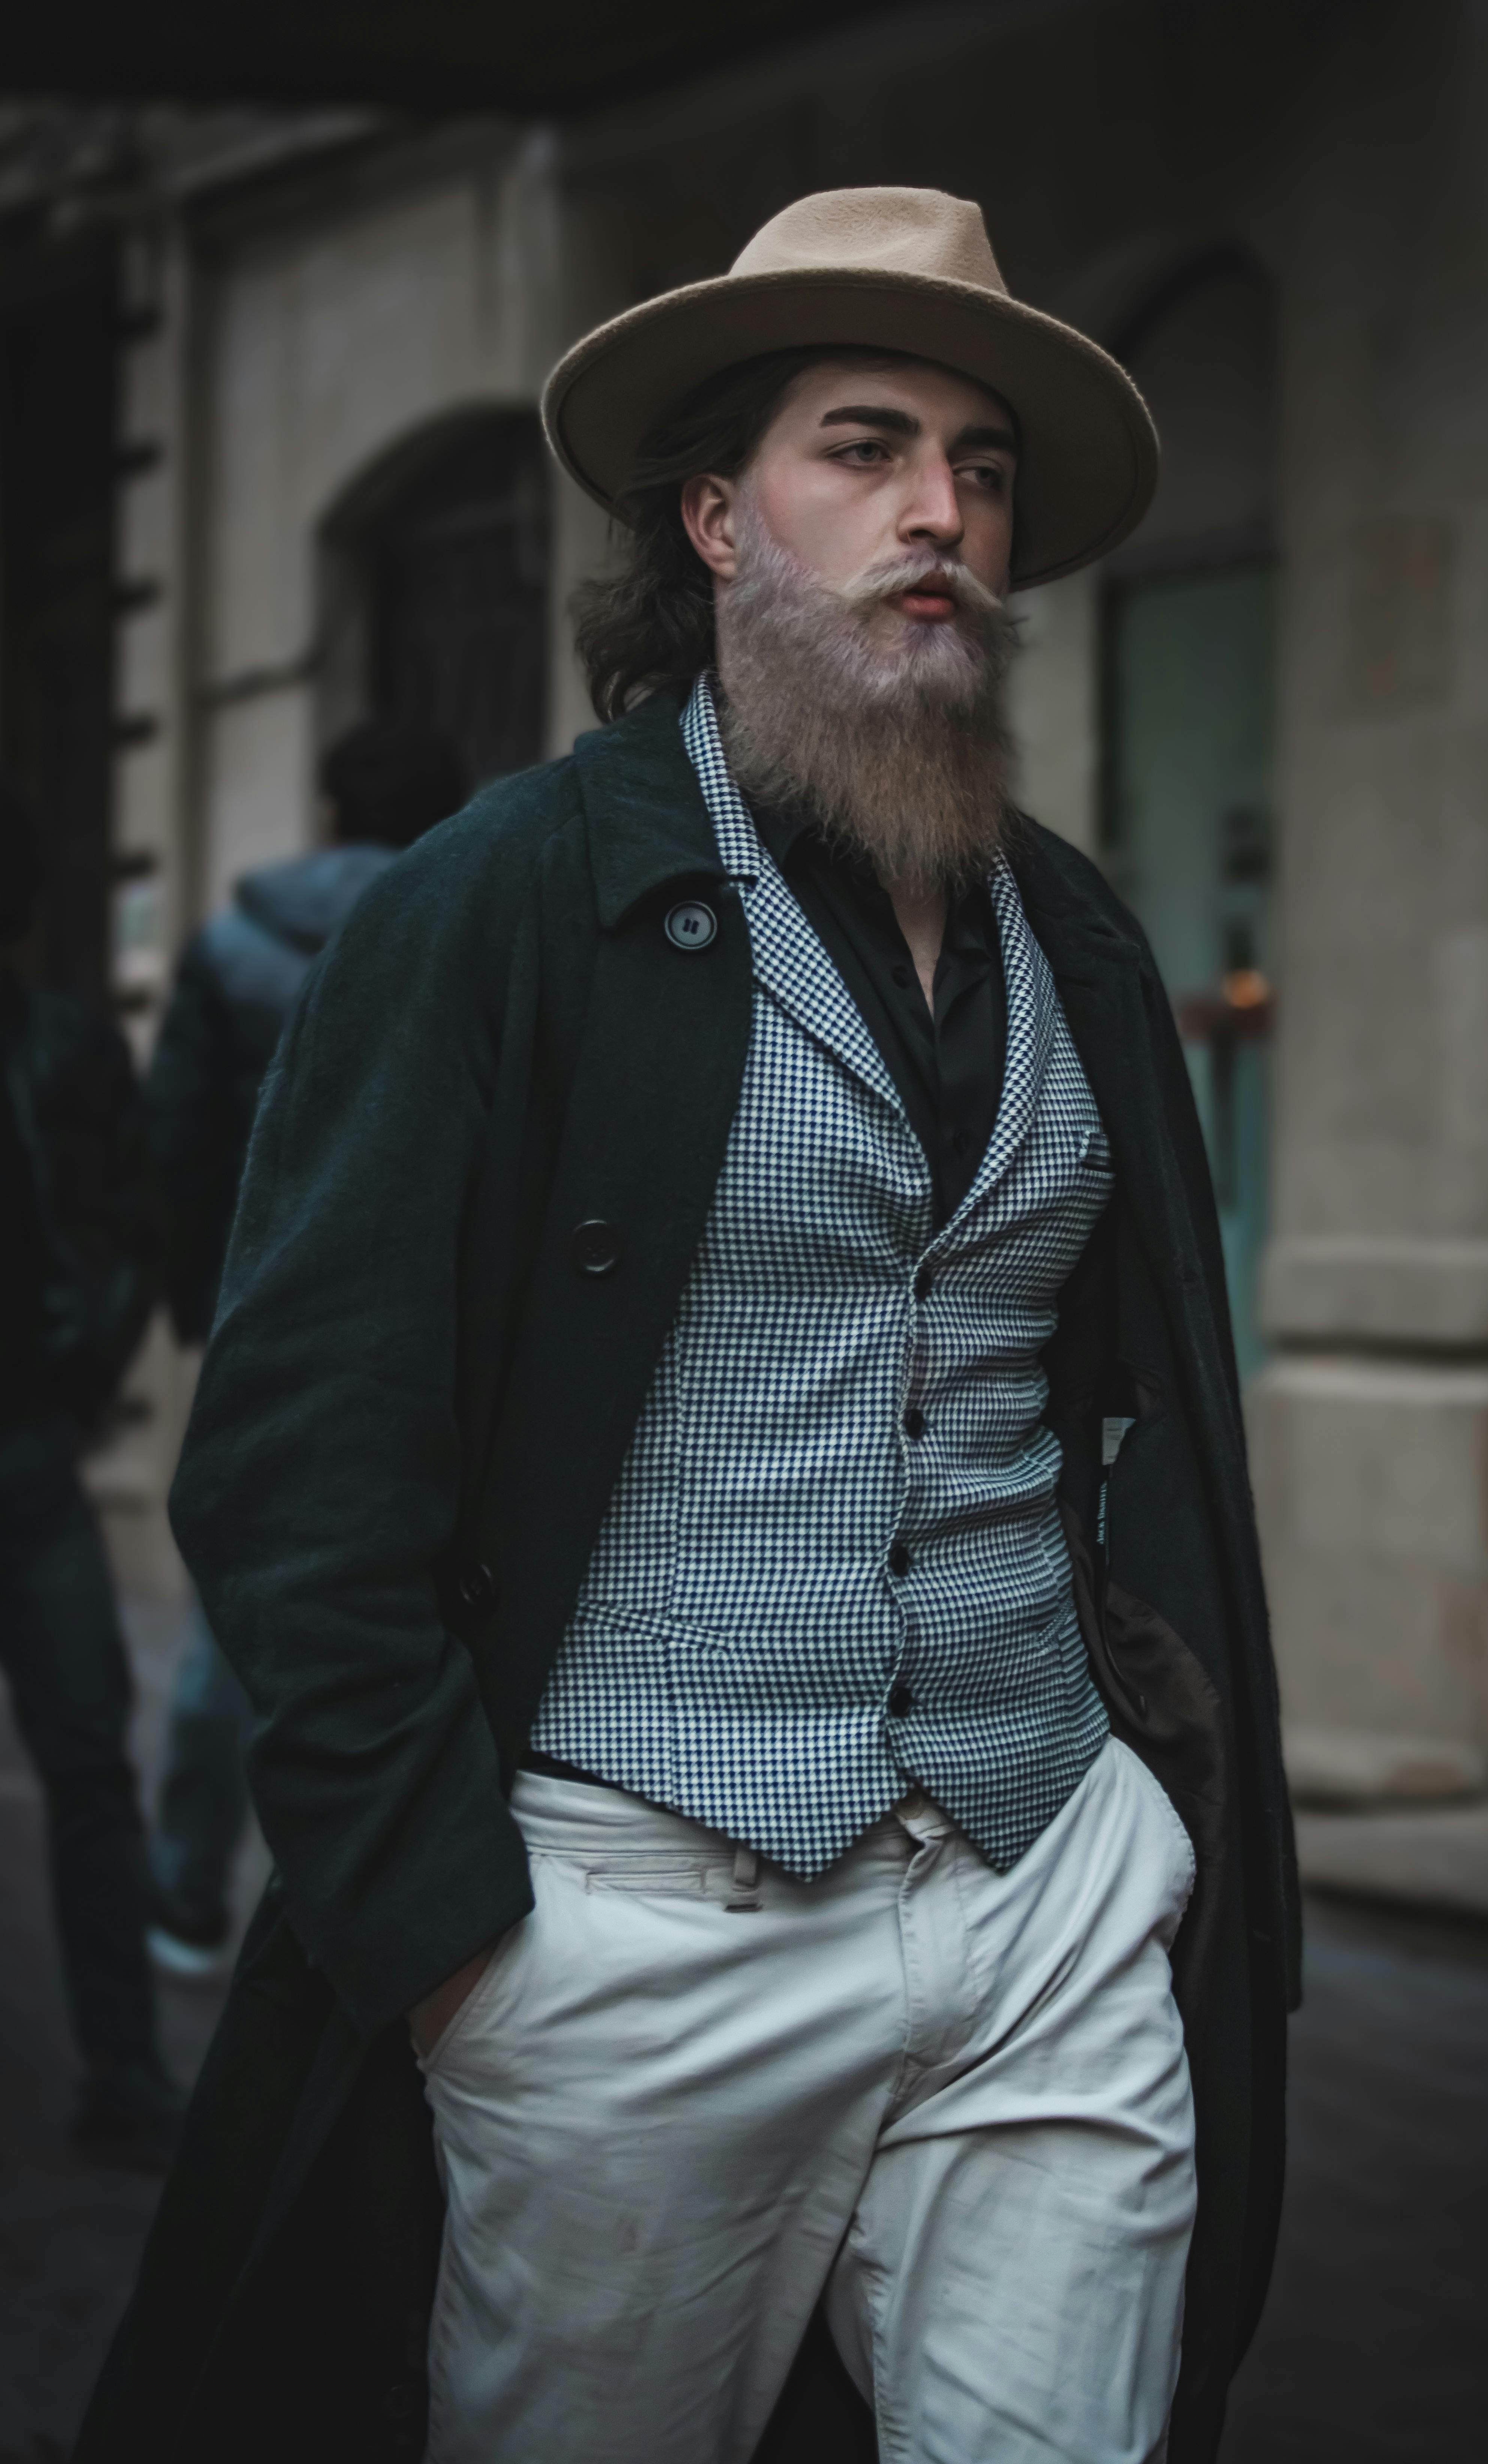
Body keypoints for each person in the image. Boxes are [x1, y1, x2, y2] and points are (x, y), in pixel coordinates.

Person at [79, 190, 1298, 2464]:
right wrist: (455, 1935)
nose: (940, 510)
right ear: (723, 520)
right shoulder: (511, 900)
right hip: (637, 1930)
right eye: (868, 447)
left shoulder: (1082, 936)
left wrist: (1143, 1812)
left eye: (985, 465)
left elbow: (1123, 1413)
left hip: (1043, 1901)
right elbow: (298, 1444)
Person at [143, 718, 467, 1974]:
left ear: (329, 811)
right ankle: (353, 1898)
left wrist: (193, 1304)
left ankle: (182, 1895)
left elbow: (170, 1142)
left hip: (260, 1313)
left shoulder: (232, 948)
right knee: (422, 1605)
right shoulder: (472, 921)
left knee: (241, 1605)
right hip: (431, 1318)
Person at [0, 774, 178, 2166]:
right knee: (89, 1761)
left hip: (30, 1452)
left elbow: (130, 1228)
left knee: (87, 1760)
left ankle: (123, 2067)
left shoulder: (65, 1047)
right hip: (38, 1447)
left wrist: (72, 1363)